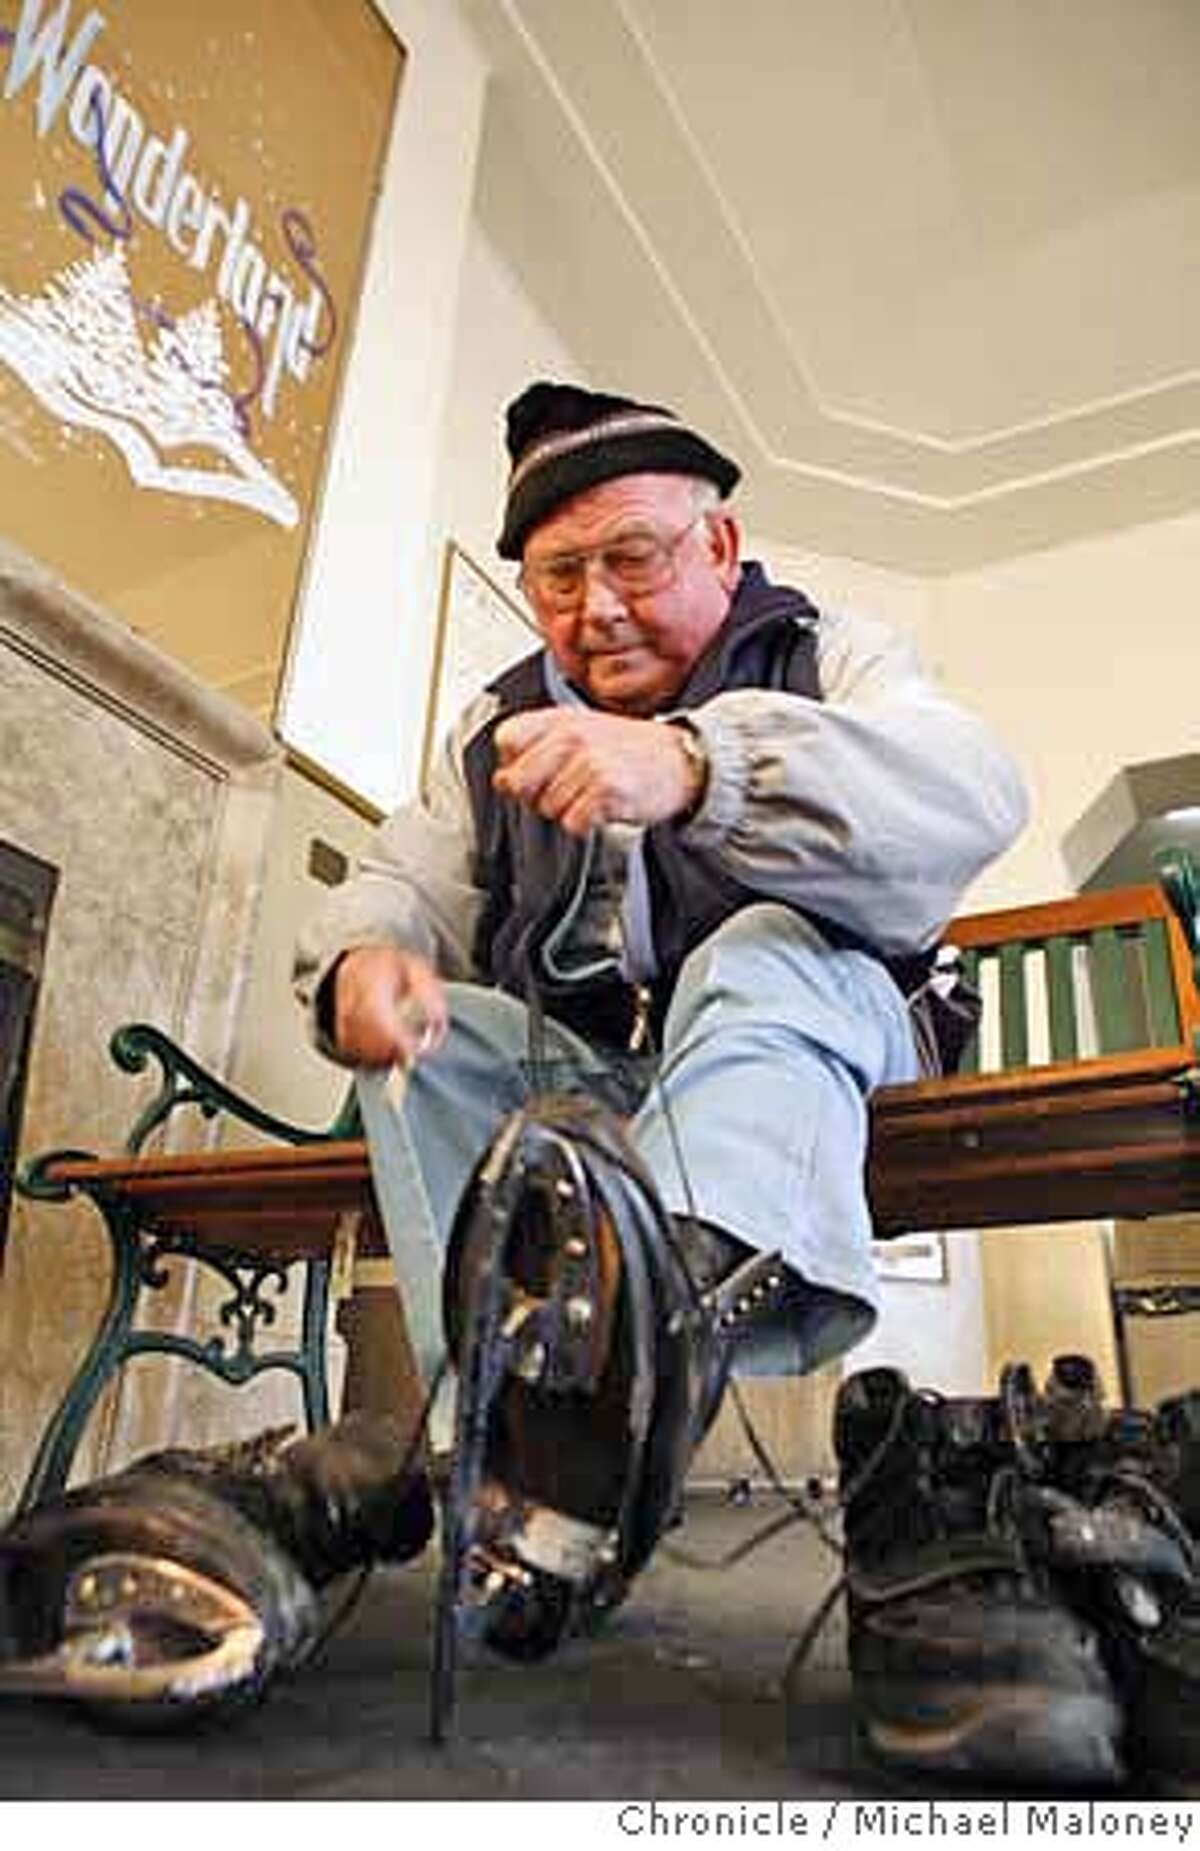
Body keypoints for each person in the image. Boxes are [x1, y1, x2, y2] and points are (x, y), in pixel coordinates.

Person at [293, 380, 1028, 1649]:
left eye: (631, 558)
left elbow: (977, 793)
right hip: (623, 1076)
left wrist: (705, 765)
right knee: (446, 1034)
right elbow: (400, 881)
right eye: (560, 576)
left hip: (837, 1043)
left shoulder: (828, 649)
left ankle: (629, 1375)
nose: (599, 607)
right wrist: (365, 962)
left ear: (720, 547)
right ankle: (528, 1454)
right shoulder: (495, 721)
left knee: (761, 944)